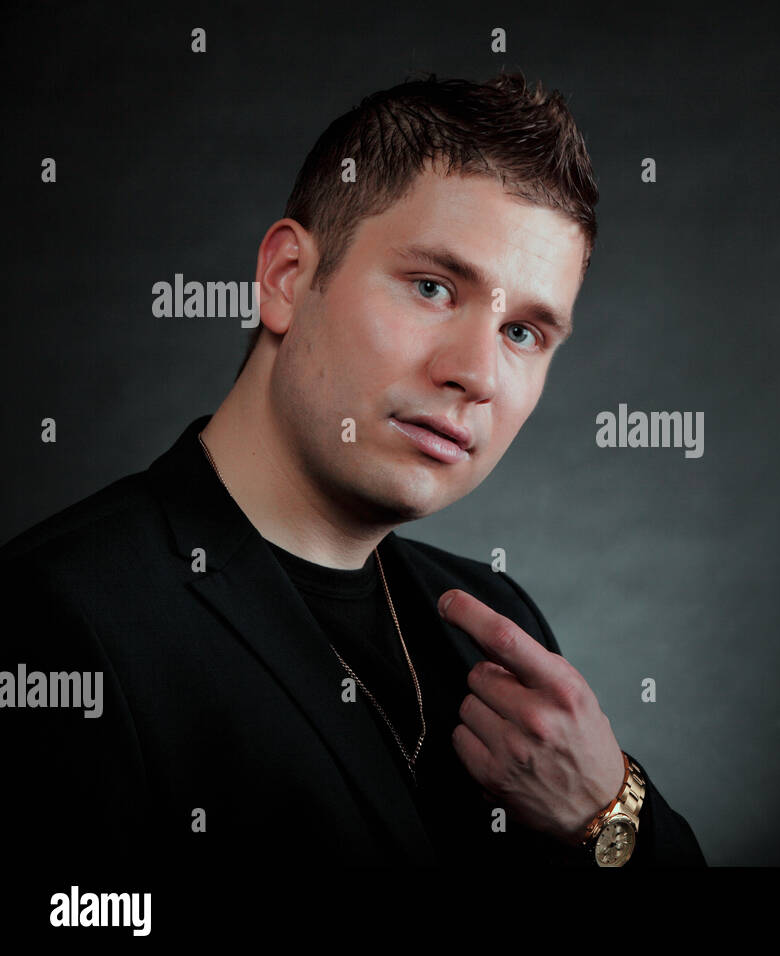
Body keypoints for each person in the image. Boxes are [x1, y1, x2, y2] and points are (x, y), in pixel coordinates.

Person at [0, 71, 706, 869]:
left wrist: (608, 812)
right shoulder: (56, 621)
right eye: (434, 287)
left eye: (523, 333)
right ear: (286, 280)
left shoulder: (497, 625)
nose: (475, 373)